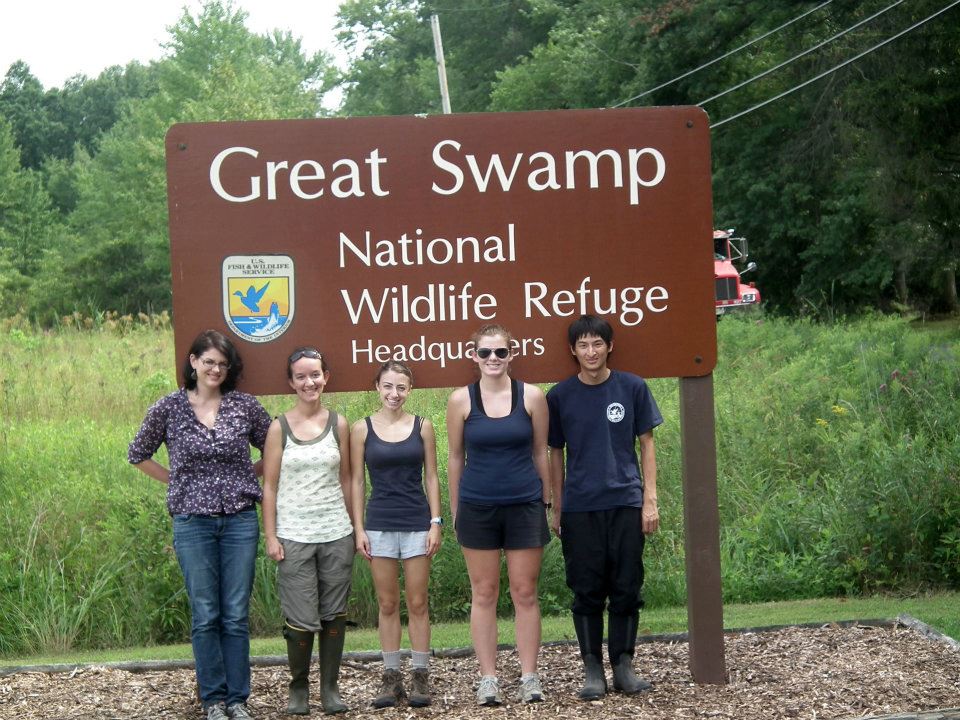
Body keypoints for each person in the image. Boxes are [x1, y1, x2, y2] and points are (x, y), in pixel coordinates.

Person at [129, 329, 271, 720]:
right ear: (193, 362)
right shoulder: (169, 408)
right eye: (208, 361)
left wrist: (249, 473)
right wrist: (174, 480)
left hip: (240, 520)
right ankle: (213, 700)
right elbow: (137, 453)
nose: (215, 369)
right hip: (192, 523)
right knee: (206, 612)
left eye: (223, 364)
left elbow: (278, 445)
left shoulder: (243, 406)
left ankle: (238, 699)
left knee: (236, 613)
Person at [546, 314, 663, 700]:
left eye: (598, 344)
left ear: (609, 347)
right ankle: (592, 668)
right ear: (573, 350)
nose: (591, 351)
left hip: (626, 501)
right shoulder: (560, 396)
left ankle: (624, 666)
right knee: (586, 589)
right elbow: (554, 454)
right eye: (583, 345)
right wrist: (556, 506)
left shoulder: (632, 388)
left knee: (627, 586)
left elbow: (647, 444)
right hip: (581, 507)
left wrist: (649, 500)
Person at [445, 323, 551, 706]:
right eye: (485, 353)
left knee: (525, 592)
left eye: (500, 352)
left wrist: (547, 499)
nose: (493, 359)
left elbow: (541, 451)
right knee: (484, 592)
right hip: (477, 505)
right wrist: (456, 508)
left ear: (512, 354)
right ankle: (488, 678)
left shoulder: (532, 397)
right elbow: (455, 458)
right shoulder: (460, 401)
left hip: (524, 503)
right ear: (473, 356)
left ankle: (529, 676)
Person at [261, 347, 355, 715]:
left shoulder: (339, 424)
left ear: (325, 377)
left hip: (335, 531)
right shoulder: (278, 427)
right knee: (300, 617)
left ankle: (329, 688)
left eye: (314, 374)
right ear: (291, 382)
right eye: (300, 376)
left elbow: (348, 479)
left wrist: (353, 526)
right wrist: (271, 535)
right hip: (294, 535)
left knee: (334, 613)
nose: (309, 382)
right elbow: (269, 485)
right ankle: (298, 688)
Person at [350, 361, 443, 708]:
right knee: (387, 603)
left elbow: (432, 477)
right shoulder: (361, 429)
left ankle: (420, 674)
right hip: (379, 524)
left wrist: (436, 522)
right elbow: (356, 480)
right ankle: (391, 676)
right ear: (377, 387)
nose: (394, 393)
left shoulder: (423, 426)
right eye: (388, 386)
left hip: (417, 523)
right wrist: (358, 528)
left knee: (418, 602)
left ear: (410, 390)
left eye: (401, 387)